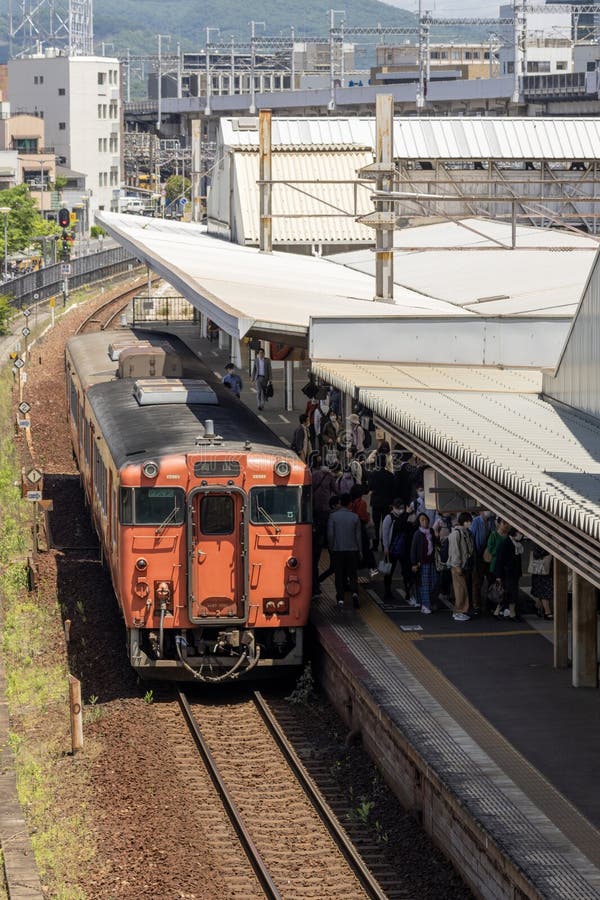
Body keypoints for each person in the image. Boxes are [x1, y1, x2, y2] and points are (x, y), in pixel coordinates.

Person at [327, 493, 362, 608]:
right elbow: (358, 537)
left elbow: (331, 535)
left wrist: (331, 548)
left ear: (340, 502)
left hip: (338, 550)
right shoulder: (355, 517)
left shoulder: (333, 517)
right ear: (350, 503)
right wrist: (360, 551)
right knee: (352, 574)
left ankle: (341, 599)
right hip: (352, 550)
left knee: (339, 575)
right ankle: (355, 593)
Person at [381, 499, 413, 603]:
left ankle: (408, 592)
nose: (401, 510)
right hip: (392, 549)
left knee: (406, 571)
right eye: (399, 507)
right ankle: (387, 592)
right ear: (393, 507)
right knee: (389, 571)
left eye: (402, 507)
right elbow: (384, 534)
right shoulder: (389, 517)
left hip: (403, 548)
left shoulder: (405, 517)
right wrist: (385, 547)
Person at [447, 512, 475, 622]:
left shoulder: (466, 532)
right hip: (457, 566)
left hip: (463, 566)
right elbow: (455, 551)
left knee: (463, 589)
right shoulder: (456, 534)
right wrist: (457, 565)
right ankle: (458, 611)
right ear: (465, 521)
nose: (470, 523)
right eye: (469, 521)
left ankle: (462, 610)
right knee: (460, 590)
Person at [494, 528, 524, 621]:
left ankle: (500, 612)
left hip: (514, 573)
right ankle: (511, 614)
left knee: (510, 594)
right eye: (519, 533)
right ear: (514, 534)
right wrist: (498, 576)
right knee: (508, 594)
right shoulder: (505, 544)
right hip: (506, 573)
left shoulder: (517, 545)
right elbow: (499, 561)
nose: (521, 535)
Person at [367, 455, 396, 550]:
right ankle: (385, 545)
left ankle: (375, 545)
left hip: (376, 502)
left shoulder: (372, 474)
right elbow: (393, 491)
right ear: (385, 463)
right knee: (386, 524)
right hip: (387, 503)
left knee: (376, 524)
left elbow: (370, 487)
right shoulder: (390, 475)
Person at [410, 512, 436, 614]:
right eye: (422, 520)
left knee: (433, 582)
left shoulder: (431, 532)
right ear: (419, 522)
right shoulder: (418, 534)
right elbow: (413, 550)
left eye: (426, 519)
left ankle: (423, 601)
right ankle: (425, 605)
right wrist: (414, 563)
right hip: (422, 563)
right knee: (424, 584)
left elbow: (435, 544)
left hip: (432, 561)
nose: (425, 521)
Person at [349, 484, 377, 576]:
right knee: (366, 548)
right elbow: (363, 517)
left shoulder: (350, 502)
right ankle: (372, 568)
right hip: (361, 527)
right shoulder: (362, 502)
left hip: (351, 527)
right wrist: (367, 517)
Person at [470, 510, 494, 614]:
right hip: (478, 555)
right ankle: (476, 604)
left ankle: (490, 602)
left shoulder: (491, 521)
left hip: (489, 554)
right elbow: (472, 538)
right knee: (477, 581)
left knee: (490, 579)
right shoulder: (476, 522)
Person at [528, 543, 553, 619]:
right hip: (544, 572)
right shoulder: (544, 546)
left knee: (541, 592)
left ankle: (538, 607)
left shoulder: (538, 544)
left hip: (540, 572)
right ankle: (547, 612)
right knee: (545, 593)